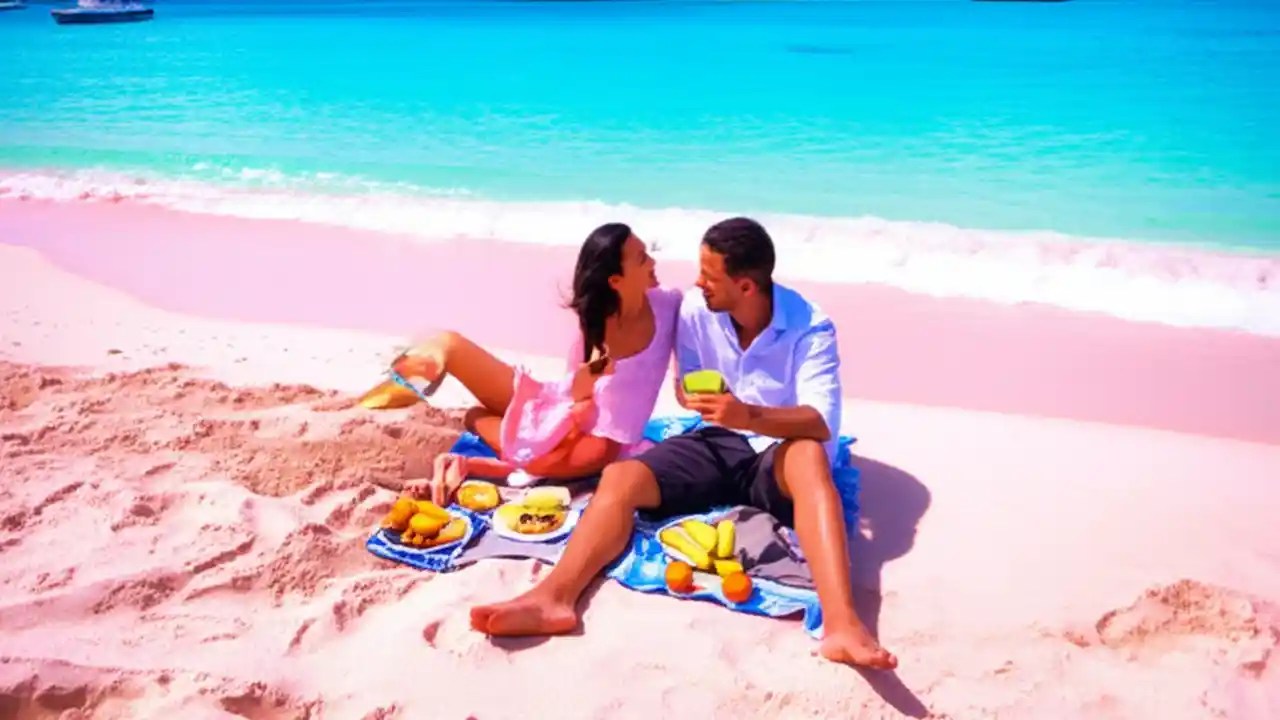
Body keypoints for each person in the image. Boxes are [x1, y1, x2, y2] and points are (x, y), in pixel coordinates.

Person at [468, 217, 896, 670]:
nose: (697, 282)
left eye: (710, 276)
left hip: (781, 452)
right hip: (716, 442)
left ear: (746, 286)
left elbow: (819, 423)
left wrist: (747, 414)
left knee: (810, 456)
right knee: (622, 475)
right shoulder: (696, 310)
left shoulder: (811, 328)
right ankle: (553, 598)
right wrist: (694, 398)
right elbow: (683, 385)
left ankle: (843, 624)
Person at [391, 223, 681, 506]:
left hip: (594, 447)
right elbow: (572, 391)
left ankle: (473, 428)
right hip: (561, 413)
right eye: (642, 258)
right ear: (615, 281)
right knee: (449, 344)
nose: (653, 262)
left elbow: (705, 332)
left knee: (485, 424)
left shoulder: (669, 306)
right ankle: (389, 393)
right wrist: (570, 408)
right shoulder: (595, 320)